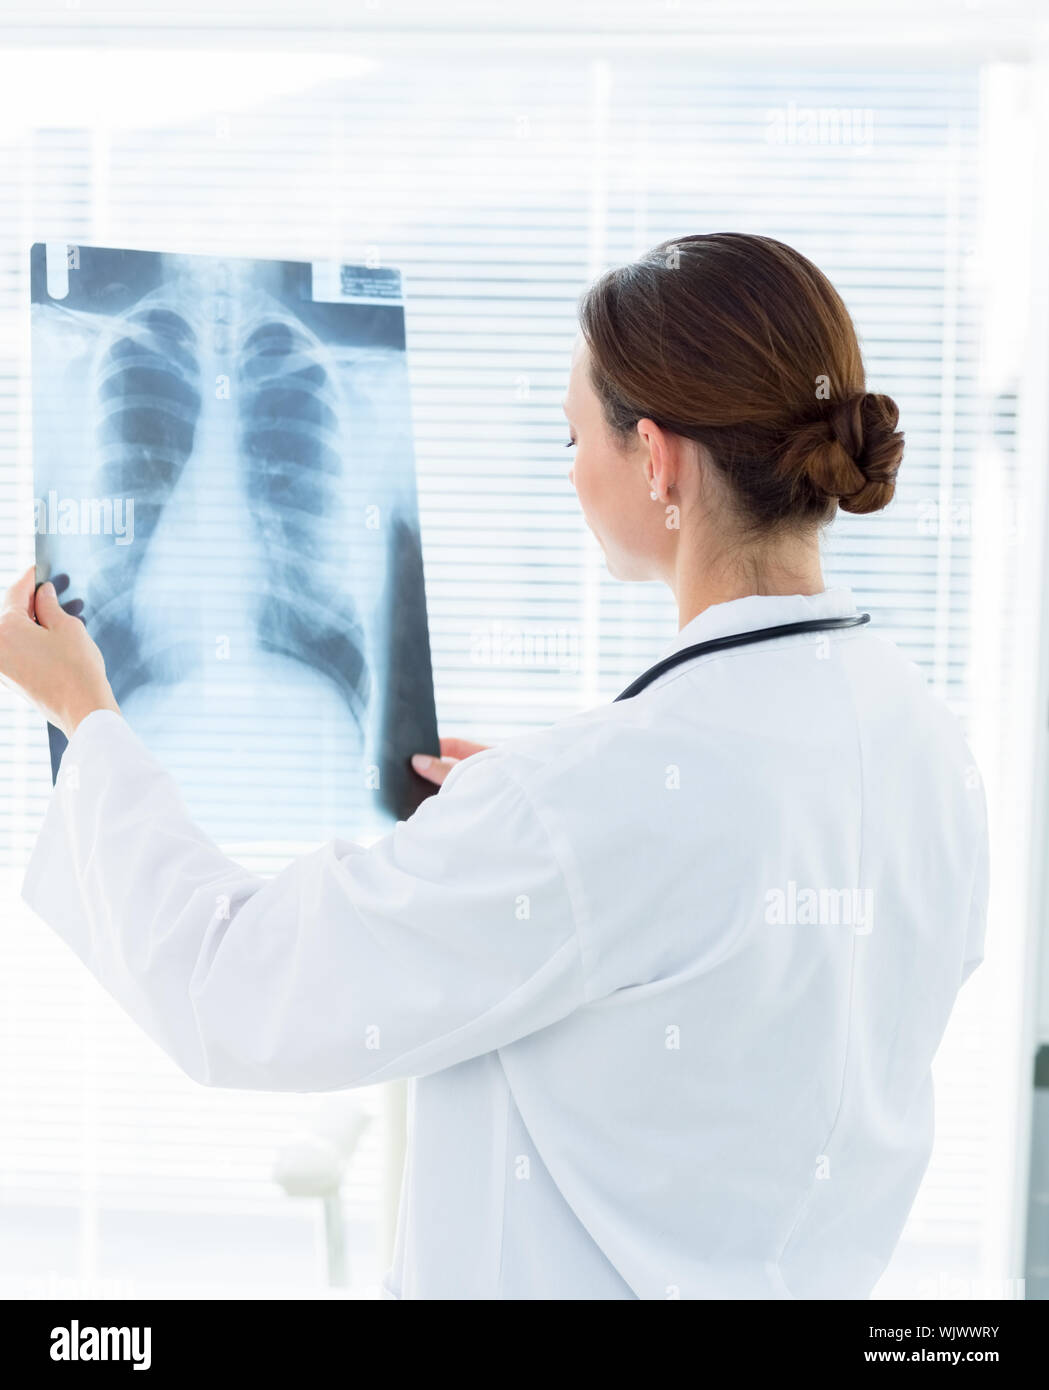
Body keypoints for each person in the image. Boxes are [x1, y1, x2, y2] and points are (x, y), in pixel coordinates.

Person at [0, 233, 988, 1300]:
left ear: (654, 458)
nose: (568, 470)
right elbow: (737, 968)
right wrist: (535, 830)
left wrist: (85, 715)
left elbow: (232, 988)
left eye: (573, 436)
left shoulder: (591, 800)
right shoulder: (930, 750)